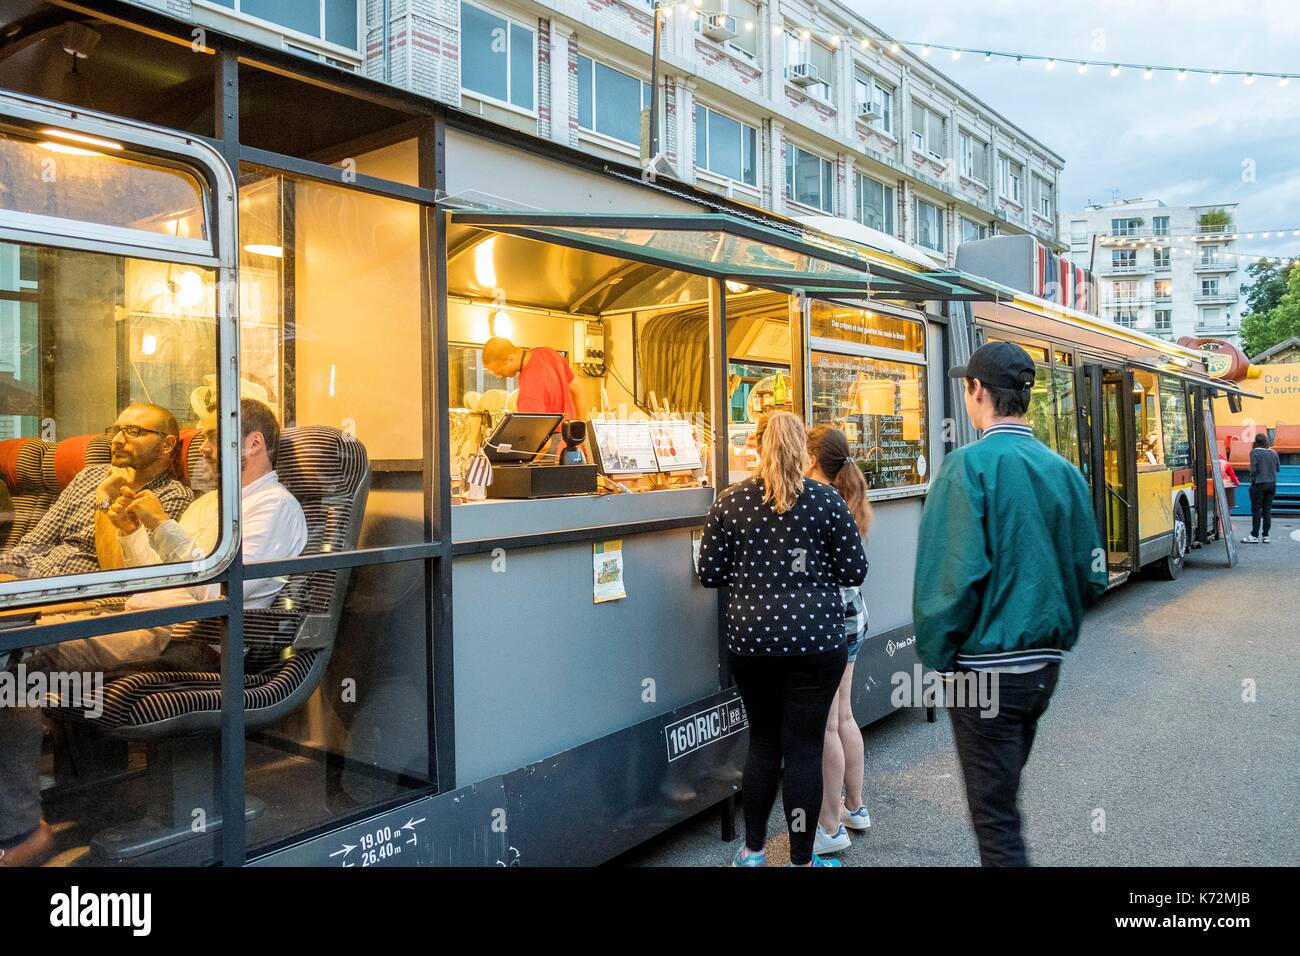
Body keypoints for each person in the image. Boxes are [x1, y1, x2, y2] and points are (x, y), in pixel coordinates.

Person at [0, 399, 307, 867]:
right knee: (14, 646)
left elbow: (219, 590)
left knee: (17, 656)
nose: (200, 449)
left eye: (209, 436)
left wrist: (161, 522)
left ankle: (23, 830)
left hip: (191, 638)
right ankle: (24, 813)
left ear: (254, 443)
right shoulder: (209, 503)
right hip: (144, 617)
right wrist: (130, 532)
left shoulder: (275, 506)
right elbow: (158, 577)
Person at [913, 342, 1108, 867]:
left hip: (982, 673)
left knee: (996, 820)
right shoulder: (1063, 470)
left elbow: (949, 582)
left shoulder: (966, 467)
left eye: (967, 387)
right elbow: (1091, 574)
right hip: (1042, 668)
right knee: (1004, 802)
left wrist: (938, 658)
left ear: (977, 392)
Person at [697, 411, 868, 868]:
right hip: (816, 645)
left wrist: (751, 574)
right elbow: (855, 570)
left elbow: (709, 572)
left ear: (758, 448)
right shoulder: (827, 502)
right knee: (805, 750)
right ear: (802, 453)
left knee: (764, 745)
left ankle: (753, 852)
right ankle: (800, 859)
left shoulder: (731, 503)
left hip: (752, 644)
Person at [0, 403, 193, 580]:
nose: (116, 441)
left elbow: (124, 575)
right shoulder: (89, 475)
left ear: (167, 444)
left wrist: (105, 499)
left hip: (82, 597)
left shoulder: (172, 496)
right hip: (32, 582)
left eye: (132, 431)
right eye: (116, 431)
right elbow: (32, 545)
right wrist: (11, 580)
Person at [806, 425, 873, 857]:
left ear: (811, 460)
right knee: (845, 716)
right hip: (855, 620)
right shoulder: (847, 499)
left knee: (829, 723)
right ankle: (856, 807)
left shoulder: (821, 504)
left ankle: (828, 828)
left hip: (834, 624)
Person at [482, 336, 588, 423]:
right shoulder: (548, 353)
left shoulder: (529, 388)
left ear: (511, 359)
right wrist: (579, 432)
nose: (500, 376)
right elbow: (579, 389)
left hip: (554, 444)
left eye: (499, 371)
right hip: (571, 442)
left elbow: (541, 440)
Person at [1242, 432, 1280, 544]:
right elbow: (1278, 469)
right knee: (1267, 510)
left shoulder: (1254, 452)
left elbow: (1253, 471)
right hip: (1272, 484)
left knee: (1256, 510)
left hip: (1259, 484)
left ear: (1256, 442)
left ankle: (1254, 535)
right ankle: (1266, 535)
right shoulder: (1274, 453)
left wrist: (1251, 473)